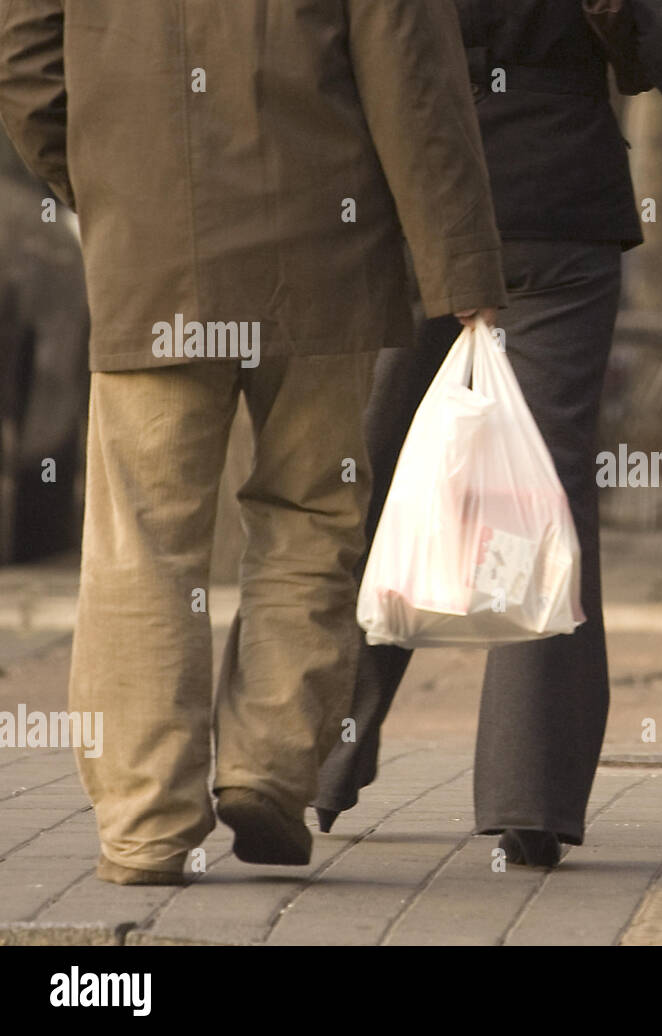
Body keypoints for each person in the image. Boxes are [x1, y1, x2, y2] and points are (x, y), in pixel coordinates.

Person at [0, 0, 505, 884]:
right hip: (324, 243)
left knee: (142, 542)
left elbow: (25, 50)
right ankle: (269, 768)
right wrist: (460, 263)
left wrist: (104, 180)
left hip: (151, 246)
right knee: (311, 510)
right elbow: (411, 67)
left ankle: (146, 823)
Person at [313, 0, 662, 868]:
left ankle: (312, 754)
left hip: (409, 191)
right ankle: (528, 798)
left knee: (365, 480)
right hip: (552, 204)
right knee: (544, 490)